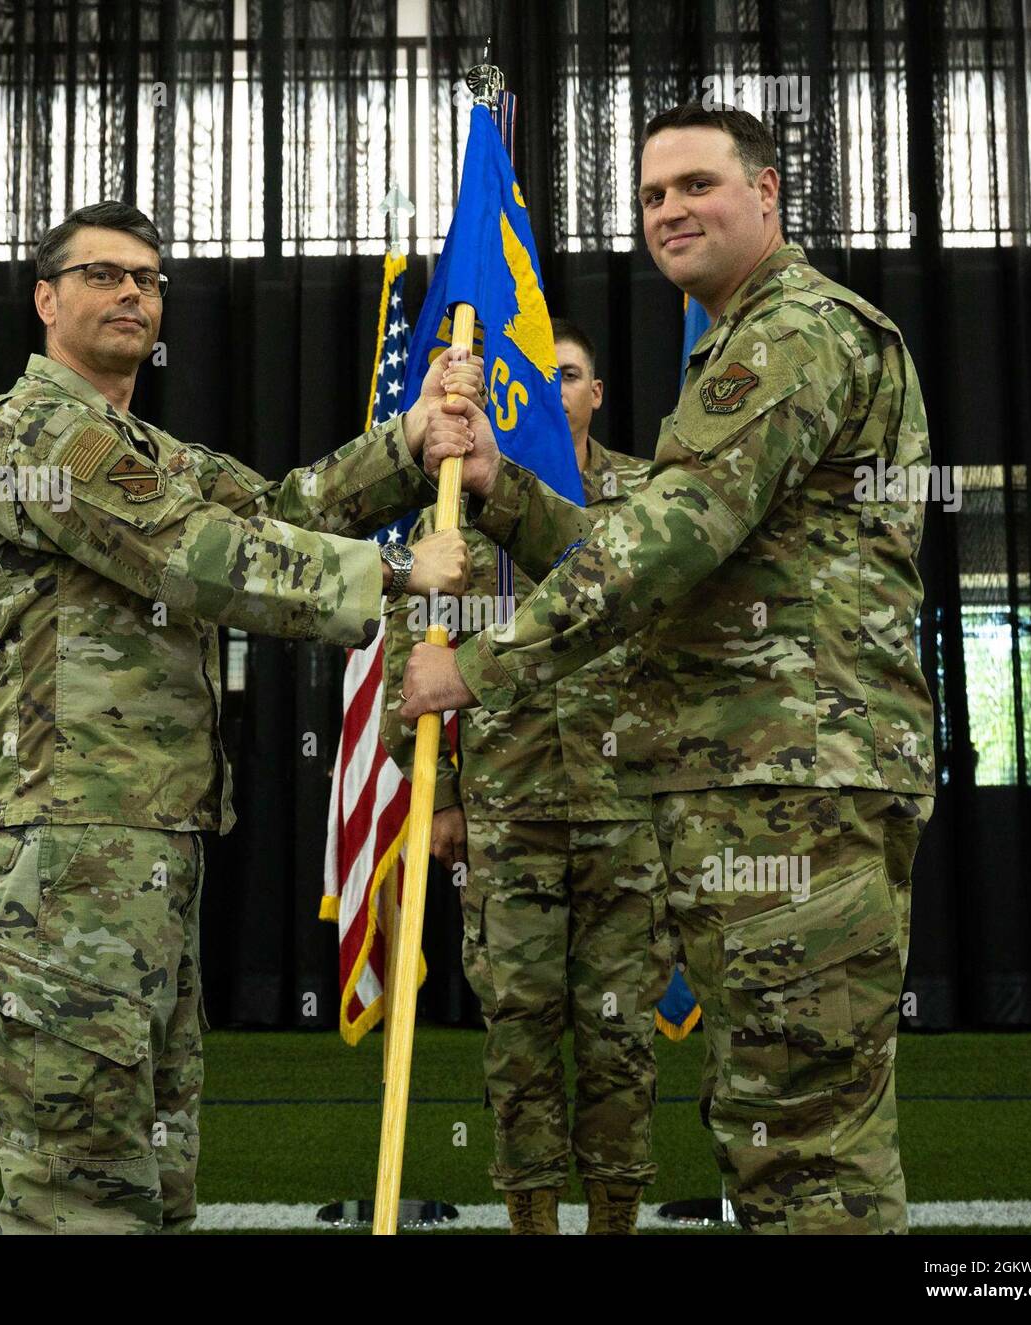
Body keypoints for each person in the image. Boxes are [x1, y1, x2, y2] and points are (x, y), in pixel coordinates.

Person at [401, 104, 937, 1235]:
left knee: (801, 1139)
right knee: (774, 1119)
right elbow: (666, 541)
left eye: (697, 184)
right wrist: (502, 490)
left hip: (791, 785)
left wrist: (480, 663)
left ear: (769, 192)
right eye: (650, 196)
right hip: (756, 782)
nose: (669, 211)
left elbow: (669, 538)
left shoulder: (789, 331)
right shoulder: (740, 337)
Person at [0, 200, 479, 1234]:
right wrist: (403, 567)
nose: (133, 293)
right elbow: (197, 558)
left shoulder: (146, 448)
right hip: (69, 848)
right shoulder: (32, 432)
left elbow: (280, 511)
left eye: (148, 278)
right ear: (46, 299)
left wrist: (410, 444)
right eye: (103, 275)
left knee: (154, 1155)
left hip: (145, 839)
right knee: (82, 1178)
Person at [382, 320, 668, 1235]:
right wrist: (447, 796)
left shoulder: (644, 499)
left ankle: (616, 1214)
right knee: (519, 1031)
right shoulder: (454, 511)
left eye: (570, 375)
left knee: (620, 1037)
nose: (554, 388)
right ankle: (533, 1219)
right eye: (538, 376)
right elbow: (411, 653)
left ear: (594, 396)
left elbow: (663, 624)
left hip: (625, 811)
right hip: (510, 810)